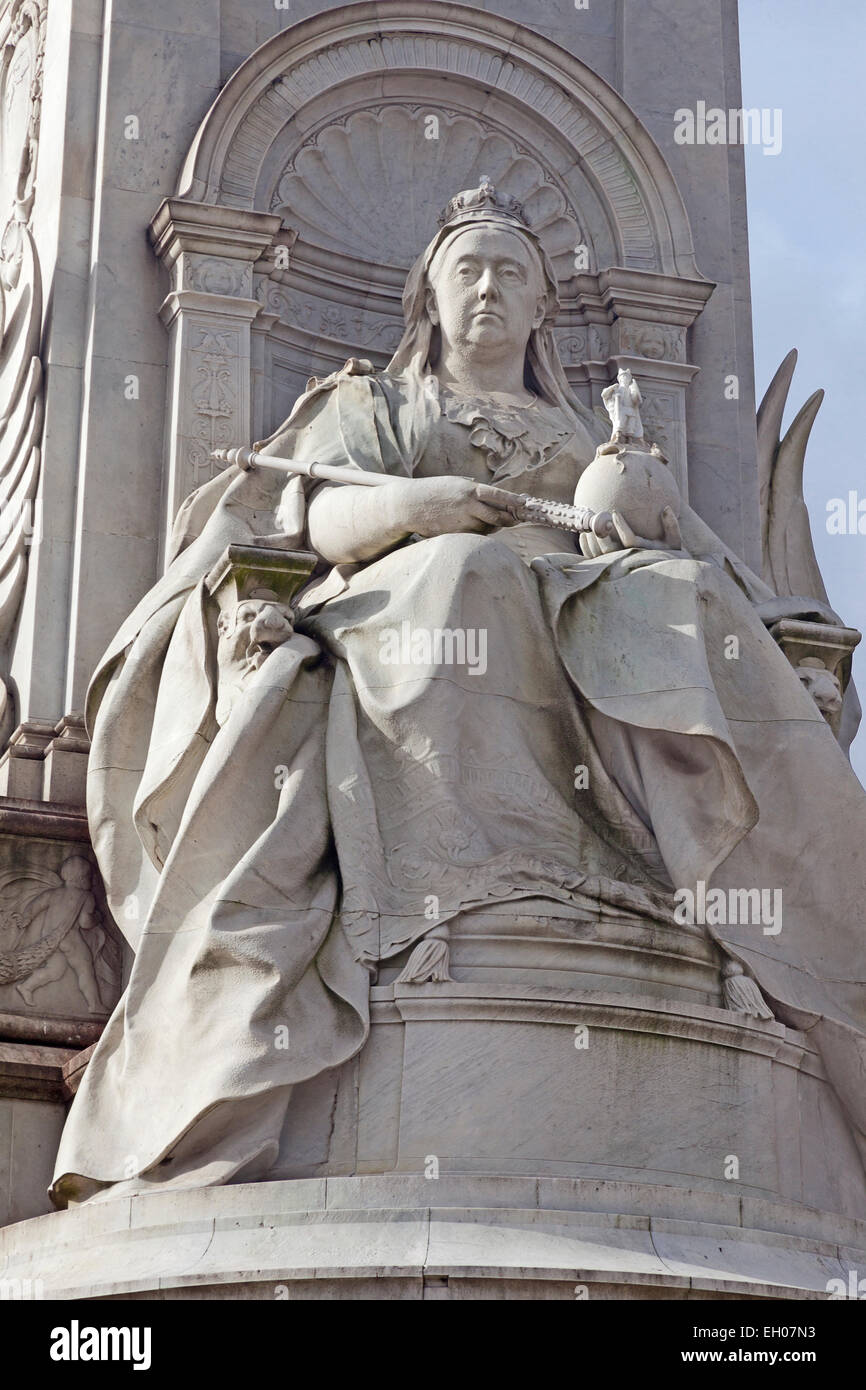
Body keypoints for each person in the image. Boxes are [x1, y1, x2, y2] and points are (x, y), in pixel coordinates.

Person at [50, 182, 866, 1205]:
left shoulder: (581, 434)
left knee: (682, 613)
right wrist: (422, 506)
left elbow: (696, 556)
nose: (486, 289)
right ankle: (480, 899)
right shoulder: (379, 406)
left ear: (538, 310)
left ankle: (727, 920)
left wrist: (671, 538)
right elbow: (315, 519)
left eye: (509, 273)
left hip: (589, 600)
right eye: (466, 271)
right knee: (466, 579)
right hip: (411, 584)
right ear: (427, 299)